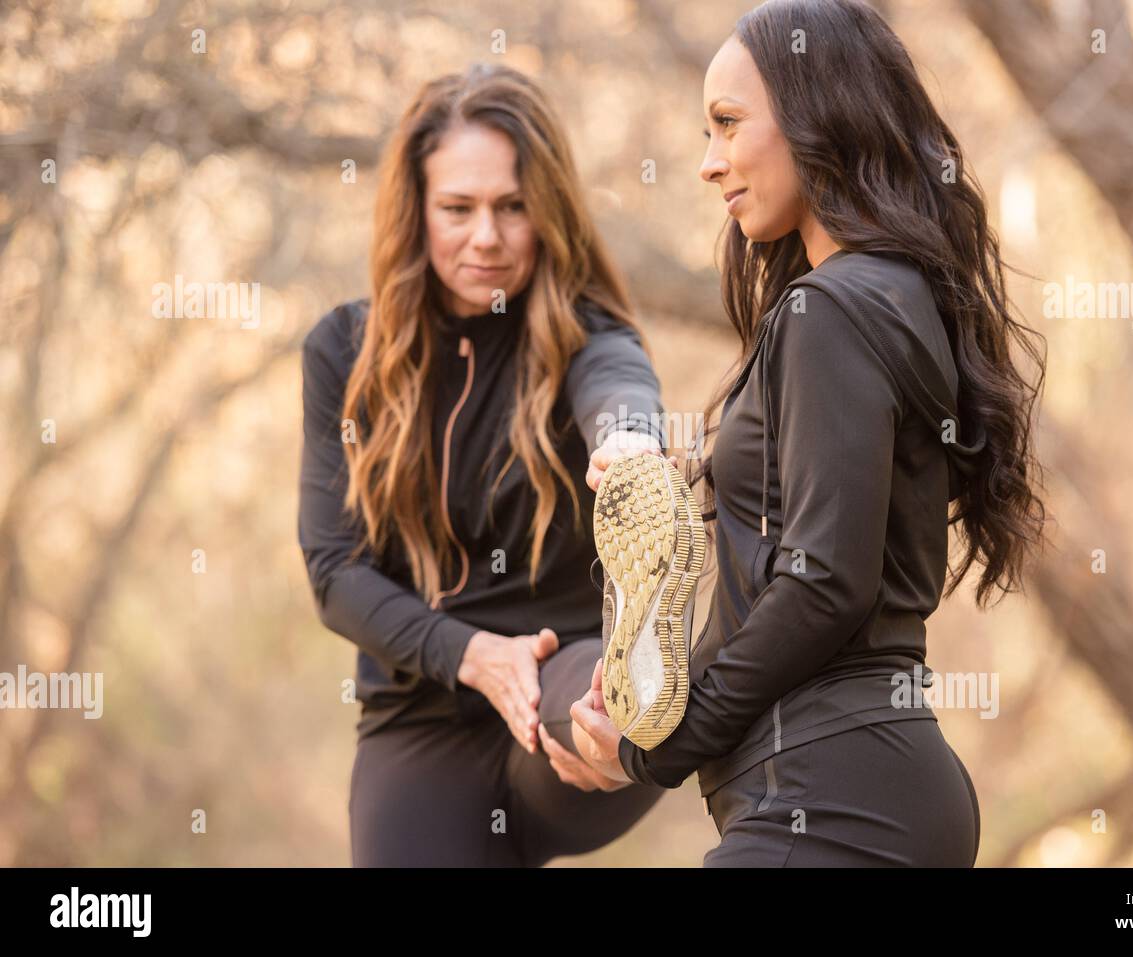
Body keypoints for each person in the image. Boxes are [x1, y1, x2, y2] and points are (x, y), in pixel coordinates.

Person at [571, 0, 1047, 867]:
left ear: (815, 111)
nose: (709, 164)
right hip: (867, 786)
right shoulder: (888, 296)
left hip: (832, 797)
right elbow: (792, 552)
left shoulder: (830, 311)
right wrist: (650, 698)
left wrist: (656, 752)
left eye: (727, 124)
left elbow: (825, 582)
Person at [298, 64, 673, 867]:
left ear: (548, 208)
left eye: (512, 206)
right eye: (457, 209)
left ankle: (642, 690)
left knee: (604, 699)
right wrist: (471, 654)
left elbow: (619, 389)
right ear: (416, 211)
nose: (487, 237)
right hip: (420, 709)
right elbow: (335, 570)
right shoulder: (344, 354)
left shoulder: (588, 335)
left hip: (566, 670)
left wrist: (633, 445)